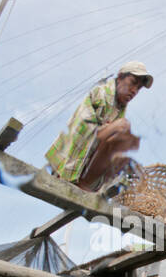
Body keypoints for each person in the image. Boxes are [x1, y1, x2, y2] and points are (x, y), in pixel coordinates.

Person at [44, 61, 153, 192]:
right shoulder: (99, 94)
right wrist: (111, 128)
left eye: (139, 88)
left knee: (125, 143)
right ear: (120, 78)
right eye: (133, 83)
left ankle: (94, 185)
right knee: (122, 132)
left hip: (85, 173)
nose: (134, 91)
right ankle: (87, 183)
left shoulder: (119, 110)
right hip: (66, 166)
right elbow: (81, 128)